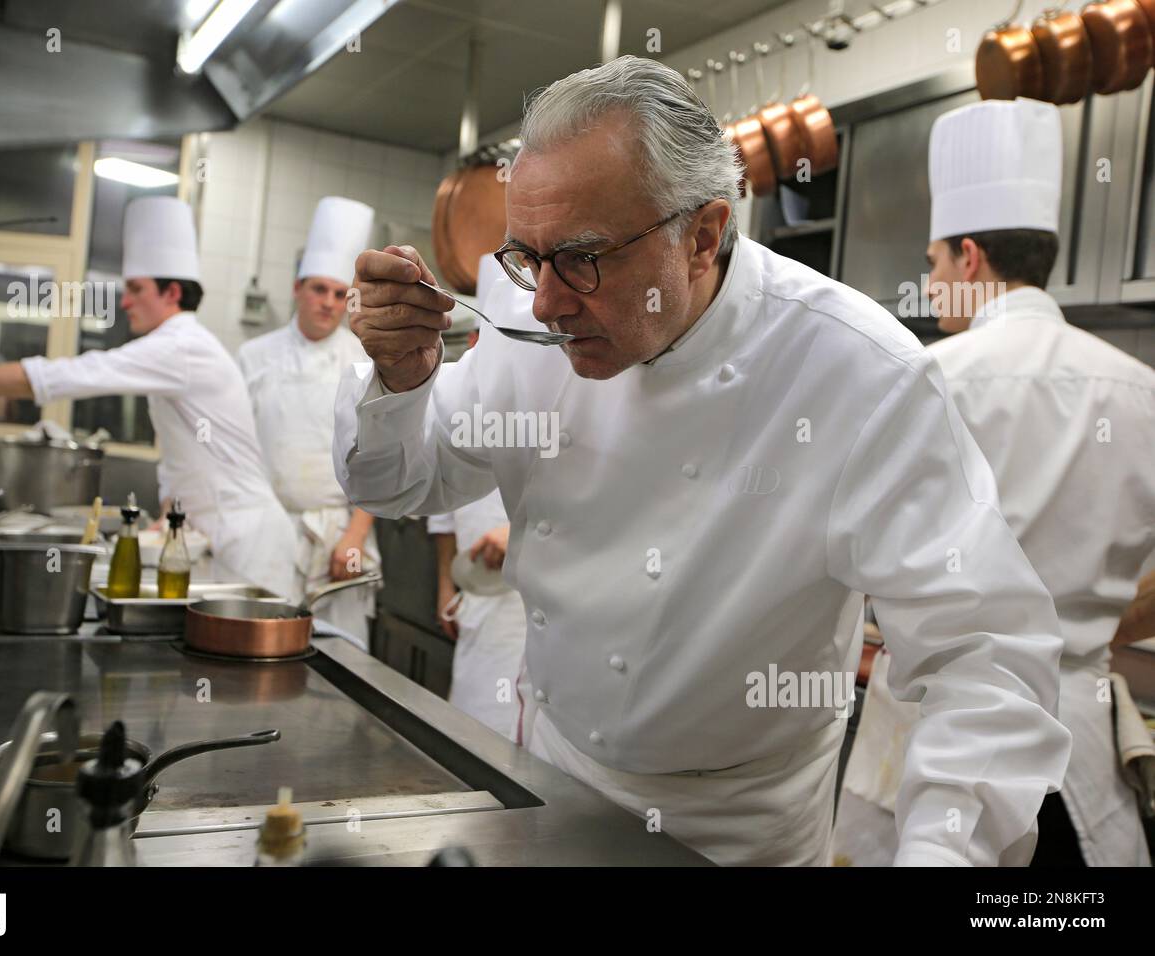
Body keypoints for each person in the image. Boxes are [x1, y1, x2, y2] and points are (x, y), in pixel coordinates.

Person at [331, 56, 1073, 866]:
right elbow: (395, 481)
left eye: (581, 257)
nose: (544, 301)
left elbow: (985, 657)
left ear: (704, 235)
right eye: (527, 258)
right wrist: (400, 384)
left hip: (730, 831)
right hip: (546, 777)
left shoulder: (855, 372)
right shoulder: (539, 337)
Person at [833, 98, 1155, 867]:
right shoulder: (1140, 389)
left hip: (933, 742)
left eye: (934, 261)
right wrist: (1088, 635)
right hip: (1080, 744)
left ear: (969, 258)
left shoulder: (928, 378)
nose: (932, 278)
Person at [0, 197, 303, 599]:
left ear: (172, 292)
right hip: (216, 537)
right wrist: (169, 510)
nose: (125, 300)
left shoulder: (181, 347)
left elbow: (62, 376)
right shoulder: (178, 346)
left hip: (248, 546)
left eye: (135, 289)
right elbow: (190, 451)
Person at [238, 197, 379, 648]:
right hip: (266, 531)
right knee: (262, 647)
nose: (329, 303)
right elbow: (234, 448)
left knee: (341, 656)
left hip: (339, 537)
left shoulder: (363, 361)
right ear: (297, 288)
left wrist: (355, 536)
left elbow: (379, 459)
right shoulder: (253, 357)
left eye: (341, 294)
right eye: (320, 289)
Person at [426, 256, 529, 739]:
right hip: (476, 597)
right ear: (473, 344)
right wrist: (448, 585)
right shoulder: (466, 404)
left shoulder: (553, 408)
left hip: (526, 606)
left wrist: (523, 535)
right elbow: (444, 509)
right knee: (467, 726)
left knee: (516, 729)